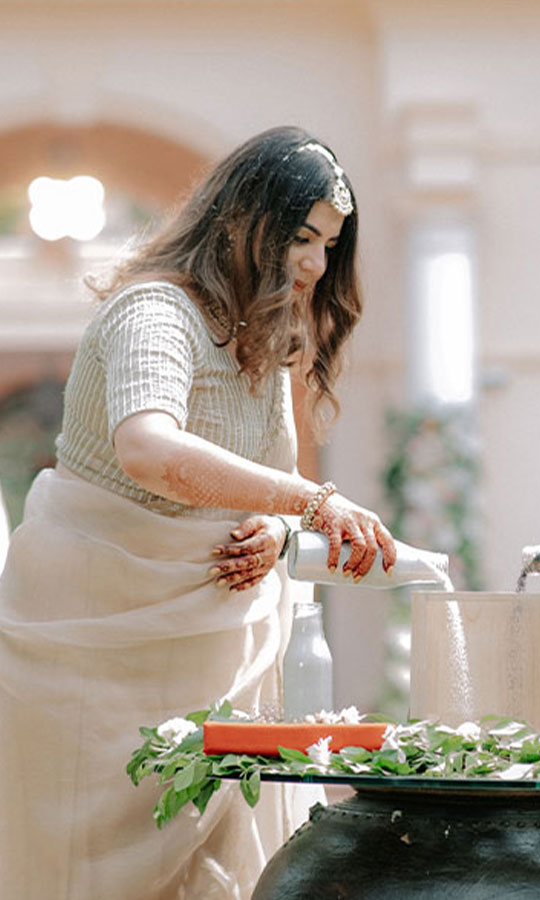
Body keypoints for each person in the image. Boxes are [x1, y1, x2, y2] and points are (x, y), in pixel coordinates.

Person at [0, 126, 397, 899]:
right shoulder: (155, 311)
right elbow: (150, 451)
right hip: (91, 644)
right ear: (246, 222)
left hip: (217, 652)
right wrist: (310, 504)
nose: (317, 263)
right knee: (79, 867)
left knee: (222, 859)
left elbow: (266, 482)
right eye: (303, 238)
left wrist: (277, 531)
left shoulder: (265, 341)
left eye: (330, 243)